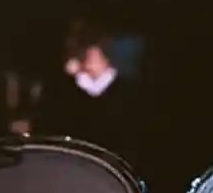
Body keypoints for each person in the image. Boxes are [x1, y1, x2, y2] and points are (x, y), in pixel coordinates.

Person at [34, 25, 144, 158]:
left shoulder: (127, 92)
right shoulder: (63, 91)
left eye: (93, 51)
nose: (89, 57)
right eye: (85, 51)